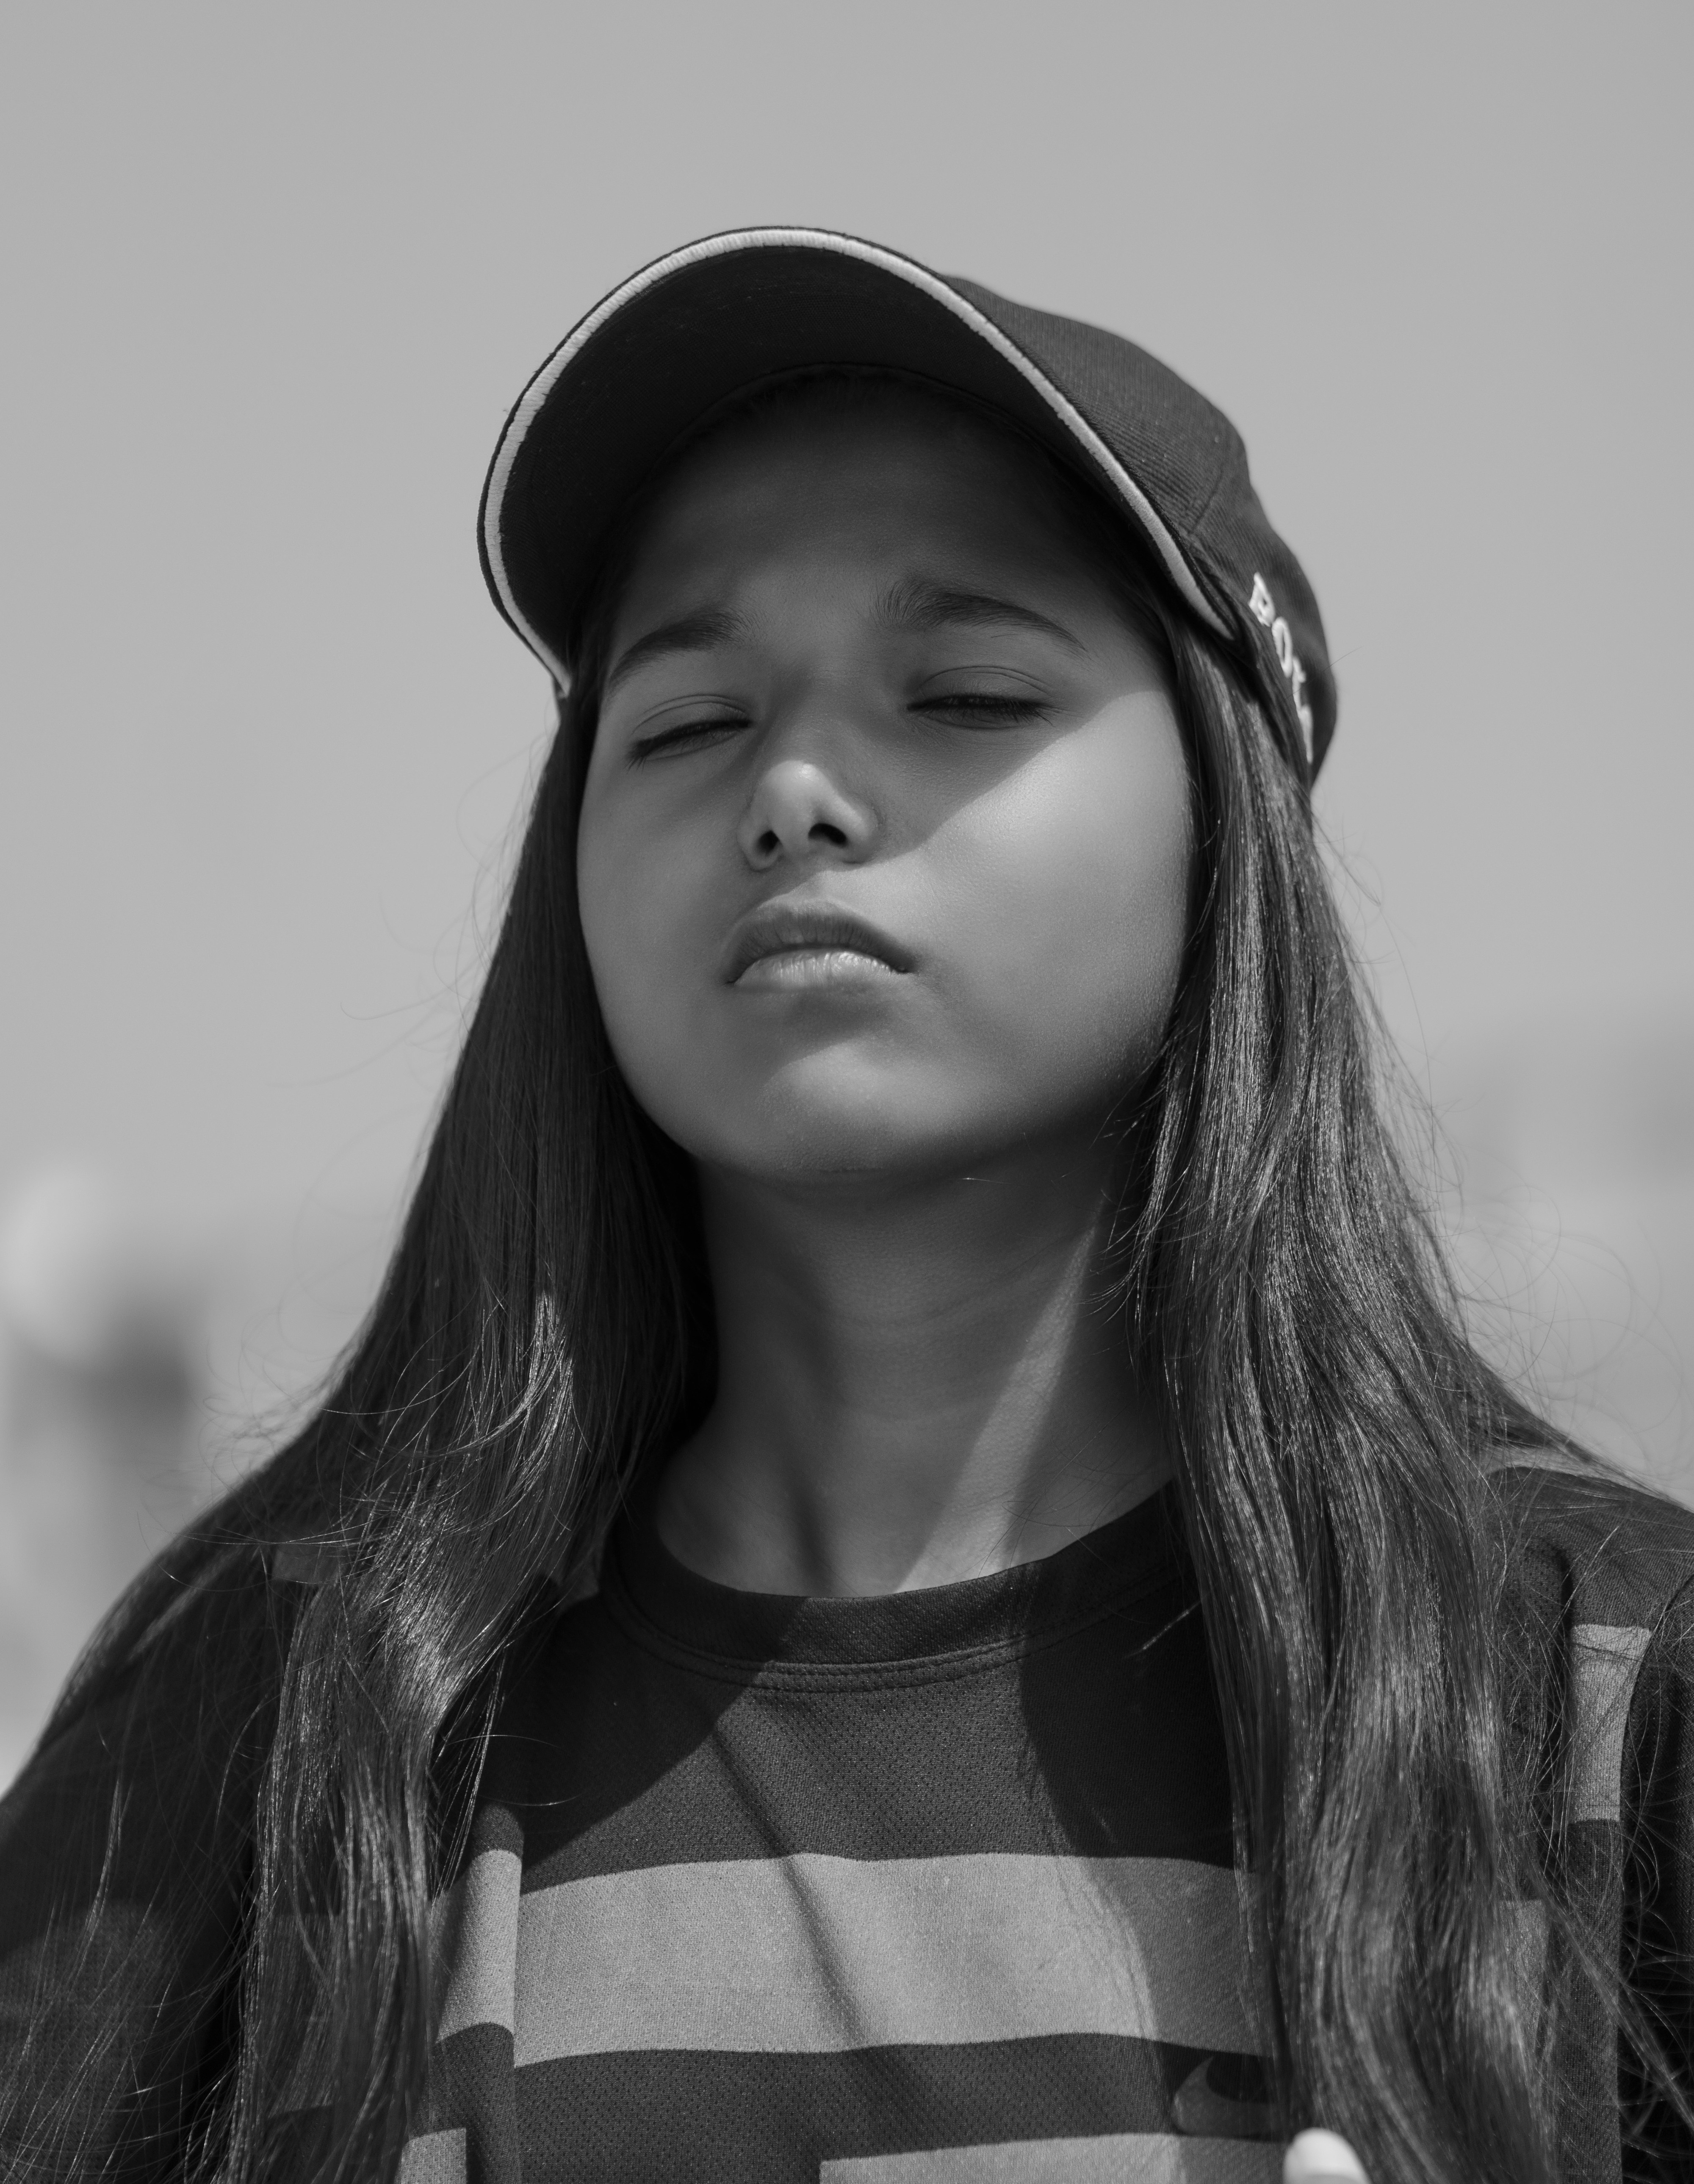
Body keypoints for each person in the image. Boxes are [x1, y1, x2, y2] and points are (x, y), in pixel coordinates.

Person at [0, 229, 1688, 2184]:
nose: (795, 787)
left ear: (1225, 828)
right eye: (689, 720)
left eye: (962, 691)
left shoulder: (1605, 1695)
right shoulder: (261, 1724)